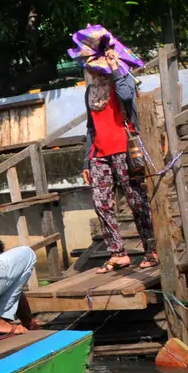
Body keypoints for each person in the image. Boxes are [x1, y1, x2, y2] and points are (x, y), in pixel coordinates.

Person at [80, 48, 157, 273]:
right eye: (87, 65)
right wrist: (86, 161)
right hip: (99, 154)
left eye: (93, 64)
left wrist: (115, 66)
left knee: (136, 200)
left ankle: (151, 250)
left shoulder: (121, 79)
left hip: (124, 149)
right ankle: (118, 253)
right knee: (100, 202)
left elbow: (126, 96)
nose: (90, 69)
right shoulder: (90, 92)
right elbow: (90, 128)